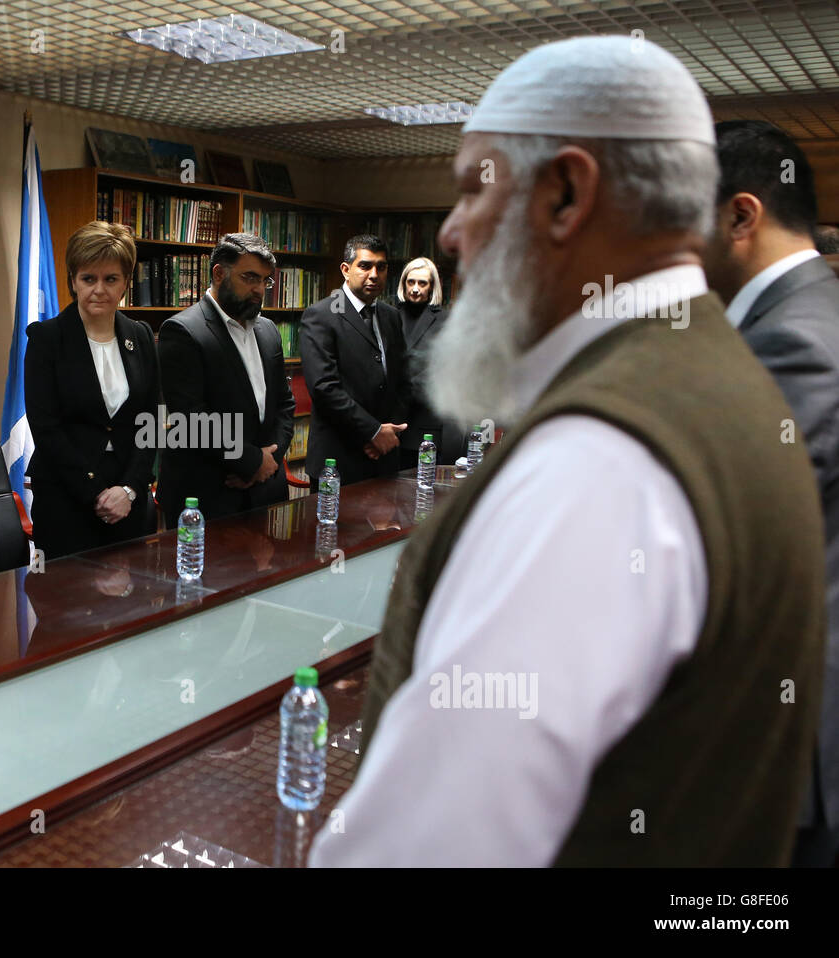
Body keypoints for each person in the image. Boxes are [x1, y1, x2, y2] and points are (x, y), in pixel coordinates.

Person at [310, 35, 825, 867]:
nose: (449, 235)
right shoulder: (714, 376)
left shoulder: (597, 464)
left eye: (473, 189)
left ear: (564, 194)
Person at [703, 120, 839, 867]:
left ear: (740, 215)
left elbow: (721, 545)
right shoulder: (810, 316)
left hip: (791, 745)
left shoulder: (795, 343)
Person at [24, 221, 159, 558]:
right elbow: (46, 429)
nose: (99, 289)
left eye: (110, 279)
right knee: (67, 604)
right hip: (66, 503)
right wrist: (97, 493)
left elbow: (150, 422)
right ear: (73, 280)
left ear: (126, 283)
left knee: (130, 604)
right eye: (88, 278)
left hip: (128, 505)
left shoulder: (141, 336)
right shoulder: (46, 338)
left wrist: (128, 490)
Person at [156, 233, 295, 525]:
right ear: (219, 273)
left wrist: (269, 460)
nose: (259, 289)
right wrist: (251, 462)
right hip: (208, 494)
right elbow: (192, 417)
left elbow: (284, 404)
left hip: (265, 488)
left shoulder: (268, 330)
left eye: (265, 281)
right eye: (250, 278)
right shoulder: (182, 331)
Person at [298, 235, 411, 485]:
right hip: (338, 460)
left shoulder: (391, 316)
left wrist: (388, 433)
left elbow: (403, 381)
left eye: (381, 267)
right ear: (346, 270)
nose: (374, 274)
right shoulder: (321, 315)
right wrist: (372, 432)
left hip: (385, 457)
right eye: (365, 266)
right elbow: (324, 388)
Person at [396, 256, 464, 464]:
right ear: (403, 284)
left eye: (422, 283)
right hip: (391, 426)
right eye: (411, 282)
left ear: (432, 286)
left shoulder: (446, 320)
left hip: (425, 427)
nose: (415, 289)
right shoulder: (389, 315)